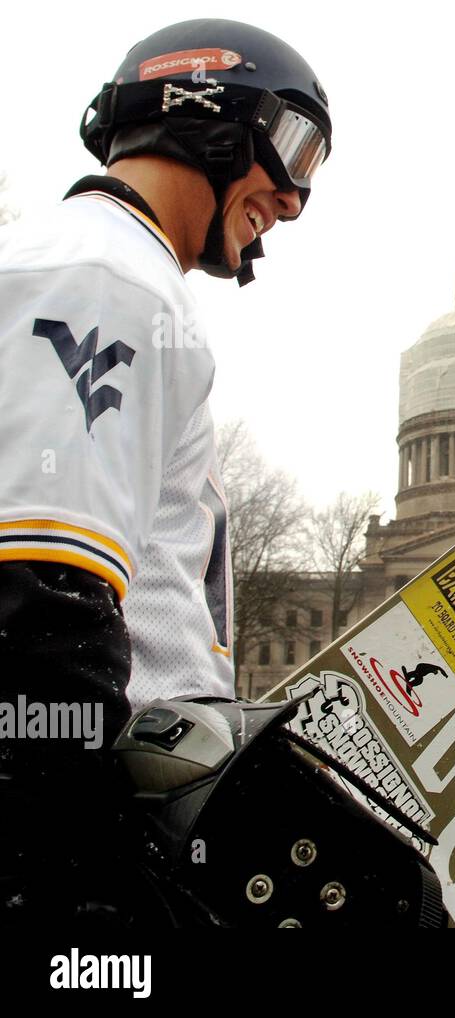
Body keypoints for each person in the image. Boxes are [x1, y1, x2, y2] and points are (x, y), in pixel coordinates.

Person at [0, 19, 331, 923]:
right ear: (208, 114)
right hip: (93, 820)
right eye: (296, 145)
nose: (295, 198)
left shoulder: (94, 268)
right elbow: (39, 590)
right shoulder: (108, 279)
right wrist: (82, 865)